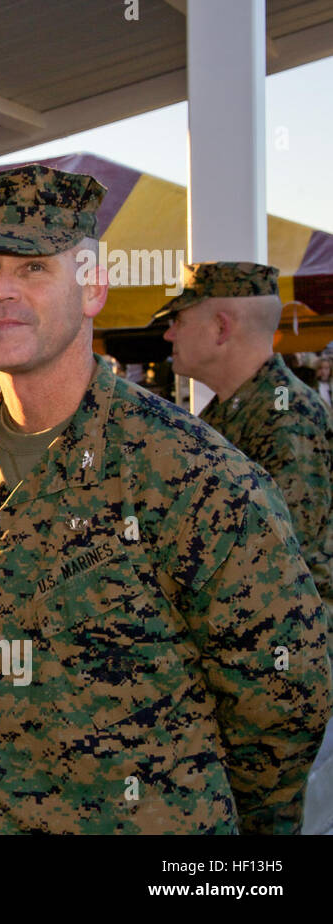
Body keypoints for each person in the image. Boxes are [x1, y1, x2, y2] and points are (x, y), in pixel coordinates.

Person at [0, 163, 331, 834]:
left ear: (93, 288)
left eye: (34, 268)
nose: (1, 291)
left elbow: (282, 700)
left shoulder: (194, 477)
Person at [155, 260, 333, 834]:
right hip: (244, 668)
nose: (167, 333)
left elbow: (288, 568)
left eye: (177, 318)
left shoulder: (286, 419)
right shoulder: (234, 411)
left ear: (222, 326)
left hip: (281, 676)